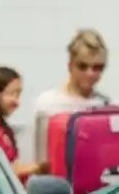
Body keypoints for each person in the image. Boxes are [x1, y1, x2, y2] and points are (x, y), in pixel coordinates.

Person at [32, 28, 112, 162]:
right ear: (70, 65)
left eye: (97, 67)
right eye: (82, 66)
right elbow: (41, 160)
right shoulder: (48, 104)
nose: (90, 73)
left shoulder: (105, 105)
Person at [0, 66, 46, 181]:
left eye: (18, 95)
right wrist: (37, 168)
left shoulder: (2, 128)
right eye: (11, 93)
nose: (16, 101)